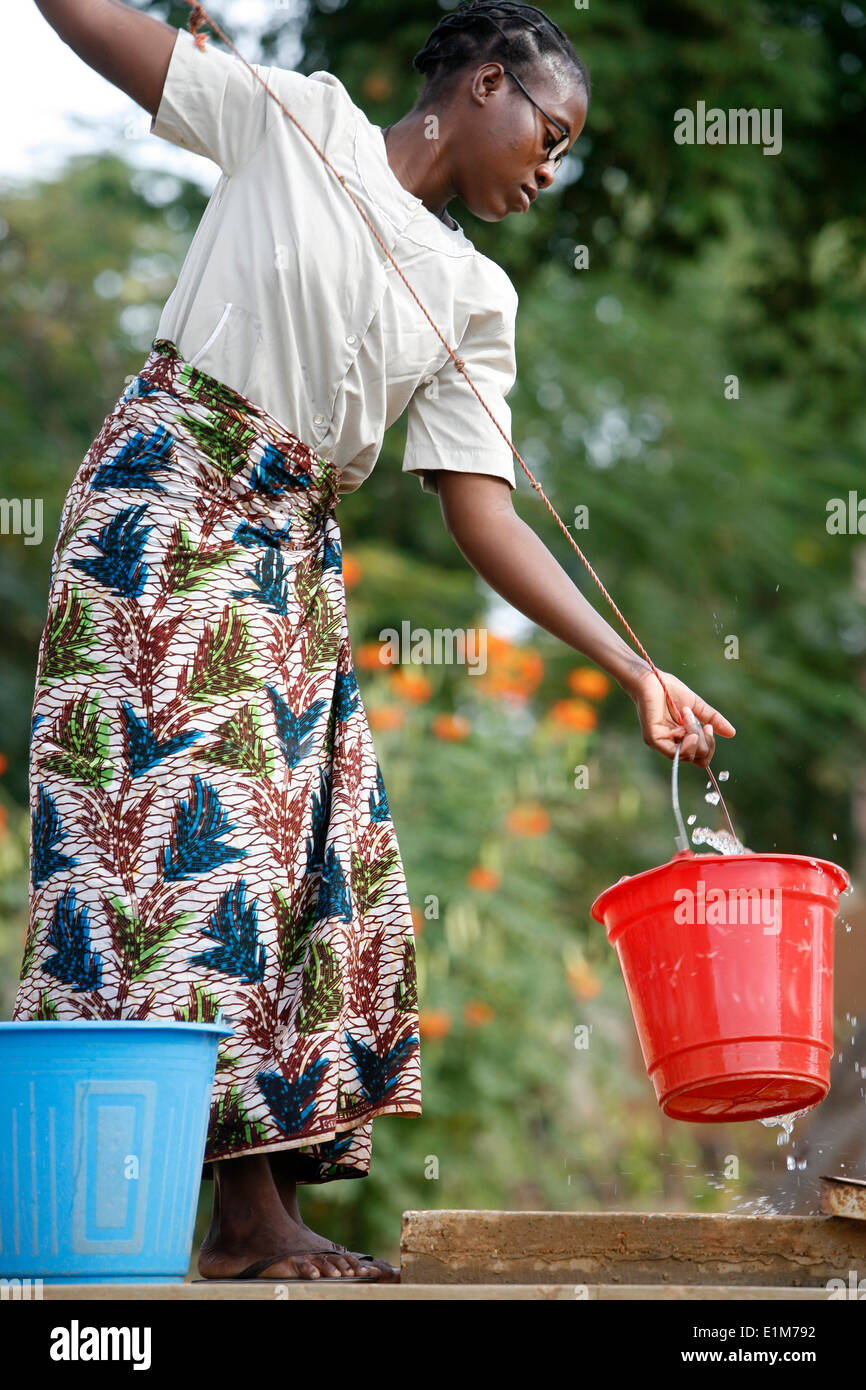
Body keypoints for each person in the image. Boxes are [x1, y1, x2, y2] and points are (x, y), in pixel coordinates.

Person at [16, 0, 735, 1283]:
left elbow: (483, 516)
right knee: (193, 836)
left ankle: (251, 1212)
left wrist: (630, 663)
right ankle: (198, 1214)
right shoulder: (293, 119)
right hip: (164, 505)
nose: (547, 168)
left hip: (289, 549)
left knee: (307, 859)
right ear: (485, 86)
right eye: (547, 133)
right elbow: (79, 20)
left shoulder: (471, 292)